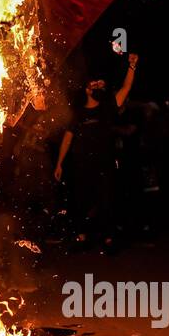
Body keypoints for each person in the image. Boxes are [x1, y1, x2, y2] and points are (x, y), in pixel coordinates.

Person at [54, 54, 139, 249]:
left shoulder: (108, 106)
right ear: (87, 89)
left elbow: (126, 88)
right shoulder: (79, 113)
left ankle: (108, 238)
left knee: (107, 198)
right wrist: (59, 163)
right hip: (82, 163)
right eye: (95, 84)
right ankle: (82, 236)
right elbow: (68, 137)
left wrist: (132, 67)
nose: (99, 87)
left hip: (105, 162)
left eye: (101, 84)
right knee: (81, 199)